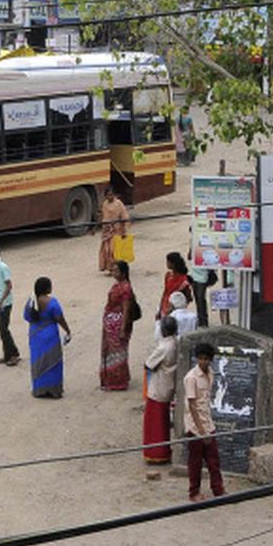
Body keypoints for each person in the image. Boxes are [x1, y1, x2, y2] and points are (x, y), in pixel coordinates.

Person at [184, 342, 225, 501]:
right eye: (200, 358)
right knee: (195, 462)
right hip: (195, 427)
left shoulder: (211, 374)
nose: (203, 362)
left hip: (207, 422)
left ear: (210, 360)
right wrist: (201, 432)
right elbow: (192, 406)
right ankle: (194, 492)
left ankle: (218, 490)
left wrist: (207, 428)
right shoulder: (191, 378)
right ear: (196, 359)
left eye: (206, 359)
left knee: (214, 460)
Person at [22, 277, 71, 399]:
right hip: (50, 335)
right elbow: (59, 318)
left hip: (36, 336)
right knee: (53, 361)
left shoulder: (31, 302)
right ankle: (54, 390)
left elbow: (26, 317)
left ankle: (39, 389)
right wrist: (68, 330)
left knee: (38, 361)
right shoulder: (52, 302)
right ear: (48, 288)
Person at [143, 317, 179, 465]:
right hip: (170, 384)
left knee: (155, 423)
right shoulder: (176, 342)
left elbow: (149, 365)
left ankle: (156, 453)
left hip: (159, 387)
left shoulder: (163, 347)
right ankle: (163, 451)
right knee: (163, 421)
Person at [100, 260, 135, 391]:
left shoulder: (125, 288)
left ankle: (118, 381)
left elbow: (126, 309)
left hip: (118, 324)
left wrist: (122, 328)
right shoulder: (117, 285)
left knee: (118, 352)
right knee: (110, 352)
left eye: (116, 270)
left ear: (123, 273)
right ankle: (111, 379)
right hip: (110, 323)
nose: (113, 273)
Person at [95, 189, 129, 274]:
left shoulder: (118, 204)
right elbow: (102, 217)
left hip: (116, 230)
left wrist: (124, 231)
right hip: (106, 230)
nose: (110, 197)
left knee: (113, 250)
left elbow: (124, 216)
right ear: (105, 196)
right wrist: (95, 228)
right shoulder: (104, 204)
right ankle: (110, 268)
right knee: (106, 250)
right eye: (108, 195)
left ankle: (116, 268)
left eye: (111, 195)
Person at [158, 252, 193, 320]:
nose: (166, 263)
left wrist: (172, 309)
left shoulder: (184, 280)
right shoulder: (168, 275)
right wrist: (160, 309)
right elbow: (165, 293)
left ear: (173, 264)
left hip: (177, 311)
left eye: (168, 262)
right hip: (165, 307)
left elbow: (187, 297)